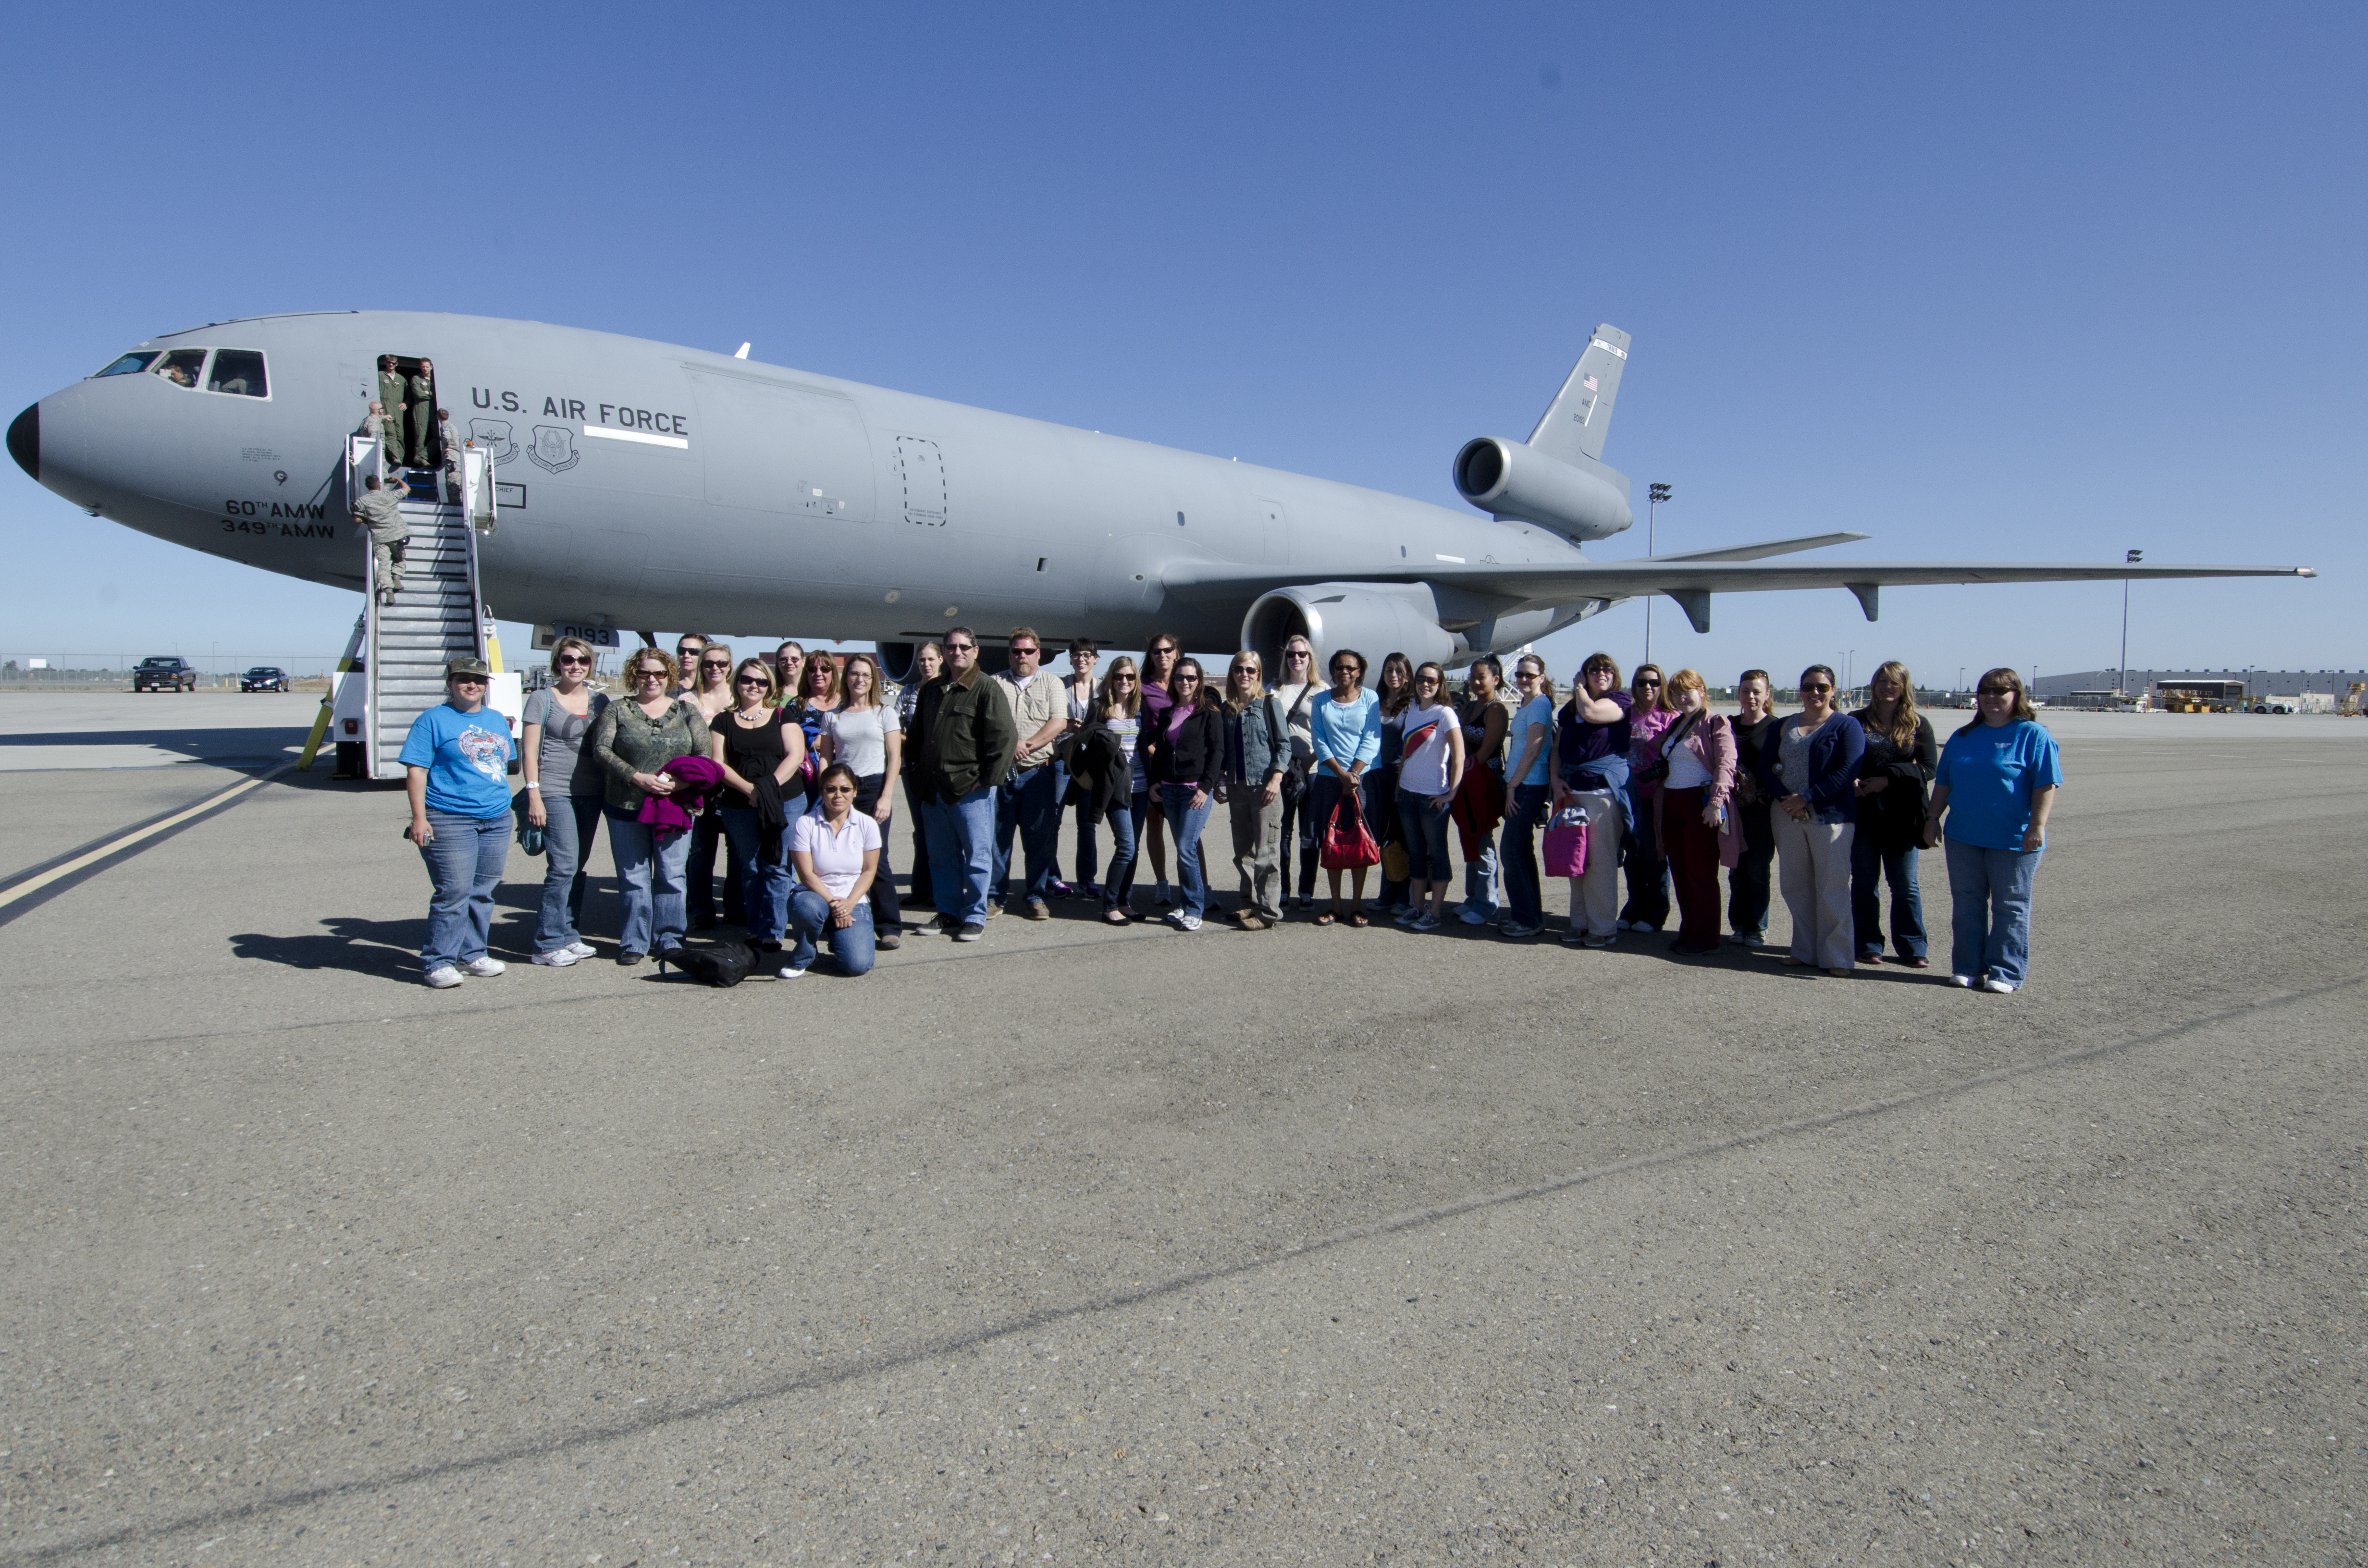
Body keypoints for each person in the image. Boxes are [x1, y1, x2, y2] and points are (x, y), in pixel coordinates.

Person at [1922, 667, 2063, 993]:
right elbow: (1944, 782)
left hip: (2013, 839)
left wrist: (2037, 826)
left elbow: (2046, 784)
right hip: (1964, 836)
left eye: (2000, 691)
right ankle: (1968, 967)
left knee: (2010, 906)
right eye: (1985, 691)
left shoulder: (2032, 735)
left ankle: (2006, 972)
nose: (1991, 697)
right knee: (1967, 903)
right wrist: (1932, 818)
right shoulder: (1963, 737)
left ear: (2016, 695)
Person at [398, 655, 516, 988]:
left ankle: (474, 953)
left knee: (483, 891)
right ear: (450, 684)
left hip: (495, 817)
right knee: (454, 891)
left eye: (479, 681)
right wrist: (419, 818)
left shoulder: (495, 720)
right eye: (464, 679)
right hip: (450, 817)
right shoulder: (433, 720)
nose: (472, 685)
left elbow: (501, 765)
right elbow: (417, 770)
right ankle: (438, 961)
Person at [591, 648, 714, 964]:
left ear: (668, 676)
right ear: (635, 675)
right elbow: (602, 750)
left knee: (672, 875)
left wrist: (680, 785)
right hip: (626, 805)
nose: (652, 679)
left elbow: (704, 756)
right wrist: (636, 777)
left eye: (659, 673)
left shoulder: (686, 712)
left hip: (675, 806)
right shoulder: (618, 710)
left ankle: (670, 937)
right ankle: (634, 940)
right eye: (645, 673)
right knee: (634, 876)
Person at [908, 626, 1017, 941]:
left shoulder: (985, 689)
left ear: (976, 650)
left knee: (977, 856)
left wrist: (986, 780)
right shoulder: (931, 690)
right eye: (951, 647)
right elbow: (916, 736)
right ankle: (948, 912)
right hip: (933, 789)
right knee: (941, 856)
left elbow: (1005, 739)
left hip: (970, 790)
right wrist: (915, 770)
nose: (958, 653)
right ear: (944, 652)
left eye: (964, 647)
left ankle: (974, 915)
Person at [1758, 664, 1865, 976]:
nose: (1815, 692)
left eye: (1822, 687)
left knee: (1832, 886)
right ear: (1800, 690)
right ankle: (1805, 950)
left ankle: (1837, 957)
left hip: (1830, 816)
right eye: (1808, 687)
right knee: (1795, 885)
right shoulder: (1785, 725)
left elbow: (1849, 771)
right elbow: (1766, 766)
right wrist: (1785, 799)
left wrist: (1807, 796)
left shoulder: (1846, 726)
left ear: (1833, 690)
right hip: (1787, 815)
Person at [519, 637, 610, 966]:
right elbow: (529, 751)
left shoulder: (601, 701)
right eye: (569, 659)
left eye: (583, 660)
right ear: (558, 662)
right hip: (555, 791)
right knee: (563, 866)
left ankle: (569, 933)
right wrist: (534, 794)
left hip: (592, 793)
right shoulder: (542, 699)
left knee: (578, 865)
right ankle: (546, 943)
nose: (576, 666)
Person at [709, 657, 805, 956]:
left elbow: (795, 755)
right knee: (750, 868)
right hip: (740, 802)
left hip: (784, 800)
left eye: (761, 681)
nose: (754, 686)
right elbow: (718, 763)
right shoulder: (723, 720)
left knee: (776, 866)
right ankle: (756, 927)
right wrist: (751, 790)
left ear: (769, 686)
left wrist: (766, 789)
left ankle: (774, 932)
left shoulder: (781, 715)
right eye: (748, 680)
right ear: (737, 683)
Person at [1850, 660, 1937, 967]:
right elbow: (1844, 761)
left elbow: (1929, 768)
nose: (1888, 688)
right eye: (1882, 682)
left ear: (1904, 688)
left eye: (1894, 683)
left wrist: (1887, 780)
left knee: (1905, 885)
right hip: (1864, 814)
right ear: (1873, 686)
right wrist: (1854, 783)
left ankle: (1913, 946)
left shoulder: (1917, 724)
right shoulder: (1856, 721)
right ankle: (1867, 943)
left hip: (1902, 816)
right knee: (1864, 882)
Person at [1653, 669, 1742, 956]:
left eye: (1687, 691)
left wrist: (1716, 803)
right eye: (1676, 693)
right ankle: (1689, 931)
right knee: (1679, 871)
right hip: (1672, 803)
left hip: (1700, 805)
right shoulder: (1677, 723)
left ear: (1701, 690)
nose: (1682, 697)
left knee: (1701, 873)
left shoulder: (1716, 722)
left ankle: (1706, 938)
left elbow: (1726, 764)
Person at [819, 651, 905, 947]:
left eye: (866, 675)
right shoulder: (833, 716)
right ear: (847, 678)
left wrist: (887, 796)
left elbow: (894, 758)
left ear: (873, 681)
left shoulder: (884, 714)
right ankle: (837, 919)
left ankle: (889, 925)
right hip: (841, 790)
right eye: (855, 674)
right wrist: (826, 789)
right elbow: (826, 757)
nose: (860, 679)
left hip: (872, 789)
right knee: (837, 857)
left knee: (875, 859)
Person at [1549, 652, 1633, 948]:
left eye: (1606, 669)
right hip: (1572, 792)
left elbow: (1593, 714)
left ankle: (1603, 927)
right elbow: (1558, 747)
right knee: (1577, 861)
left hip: (1602, 793)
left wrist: (1579, 688)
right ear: (1585, 673)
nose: (1601, 673)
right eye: (1593, 669)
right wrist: (1555, 778)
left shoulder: (1620, 701)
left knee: (1600, 863)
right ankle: (1580, 923)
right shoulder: (1571, 708)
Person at [1137, 657, 1224, 930]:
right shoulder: (1167, 713)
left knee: (1186, 848)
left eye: (1191, 678)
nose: (1185, 682)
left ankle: (1195, 907)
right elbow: (1162, 753)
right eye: (1179, 678)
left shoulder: (1209, 712)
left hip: (1194, 790)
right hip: (1169, 790)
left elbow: (1217, 752)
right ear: (1173, 681)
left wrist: (1206, 787)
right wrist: (1154, 782)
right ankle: (1186, 904)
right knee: (1182, 849)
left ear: (1199, 681)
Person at [990, 626, 1068, 920]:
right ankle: (995, 897)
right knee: (999, 839)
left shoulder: (1052, 683)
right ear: (1010, 654)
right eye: (1016, 651)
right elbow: (987, 724)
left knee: (1039, 840)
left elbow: (1059, 722)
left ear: (1038, 653)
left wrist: (1026, 745)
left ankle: (1036, 897)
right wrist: (1008, 748)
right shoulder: (995, 683)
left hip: (1039, 774)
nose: (1022, 656)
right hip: (1002, 774)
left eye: (1027, 651)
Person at [785, 763, 883, 977]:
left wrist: (848, 904)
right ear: (821, 792)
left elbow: (869, 871)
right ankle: (804, 955)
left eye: (845, 789)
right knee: (806, 908)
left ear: (855, 792)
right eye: (830, 789)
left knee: (856, 965)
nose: (838, 795)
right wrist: (834, 903)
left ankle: (836, 935)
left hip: (852, 899)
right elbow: (806, 874)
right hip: (815, 895)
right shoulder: (805, 823)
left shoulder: (868, 825)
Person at [1308, 648, 1381, 926]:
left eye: (1350, 668)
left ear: (1359, 671)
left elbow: (1372, 739)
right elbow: (1320, 740)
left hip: (1361, 780)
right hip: (1329, 779)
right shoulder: (1321, 700)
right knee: (1334, 842)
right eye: (1339, 668)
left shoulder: (1370, 698)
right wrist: (1341, 774)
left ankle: (1357, 906)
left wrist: (1354, 774)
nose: (1345, 672)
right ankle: (1335, 906)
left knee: (1359, 841)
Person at [1392, 662, 1466, 931]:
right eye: (1422, 679)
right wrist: (1400, 785)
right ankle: (1417, 907)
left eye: (1432, 681)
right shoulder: (1412, 710)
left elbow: (1459, 755)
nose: (1426, 684)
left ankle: (1434, 913)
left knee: (1437, 854)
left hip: (1432, 797)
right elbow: (1406, 752)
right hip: (1408, 794)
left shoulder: (1445, 713)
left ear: (1440, 684)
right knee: (1416, 854)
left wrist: (1452, 793)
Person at [1217, 650, 1288, 929]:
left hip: (1264, 788)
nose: (1244, 675)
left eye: (1250, 670)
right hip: (1237, 788)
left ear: (1258, 674)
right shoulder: (1227, 710)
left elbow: (1283, 744)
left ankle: (1268, 913)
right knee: (1243, 851)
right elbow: (1224, 751)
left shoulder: (1269, 705)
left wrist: (1276, 778)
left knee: (1267, 852)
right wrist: (1220, 781)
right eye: (1238, 669)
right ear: (1232, 673)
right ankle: (1249, 903)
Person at [1080, 656, 1146, 924]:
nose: (1124, 681)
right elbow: (1086, 742)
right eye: (1119, 676)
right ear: (1111, 678)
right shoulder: (1099, 707)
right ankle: (1109, 905)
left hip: (1140, 785)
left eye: (1130, 677)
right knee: (1126, 846)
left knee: (1135, 848)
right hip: (1113, 785)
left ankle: (1124, 900)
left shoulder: (1141, 707)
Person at [1496, 654, 1556, 939]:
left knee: (1511, 851)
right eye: (1519, 675)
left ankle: (1526, 919)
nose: (1522, 680)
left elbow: (1533, 750)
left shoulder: (1541, 705)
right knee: (1522, 851)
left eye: (1529, 676)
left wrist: (1512, 787)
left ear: (1542, 678)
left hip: (1528, 786)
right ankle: (1532, 916)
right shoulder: (1528, 704)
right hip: (1522, 784)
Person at [683, 640, 739, 931]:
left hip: (733, 784)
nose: (715, 669)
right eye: (709, 663)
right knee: (701, 850)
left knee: (736, 849)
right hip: (699, 787)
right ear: (700, 666)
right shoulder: (688, 701)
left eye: (722, 663)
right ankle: (702, 909)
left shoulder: (740, 697)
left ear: (730, 666)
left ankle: (734, 907)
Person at [1725, 670, 1782, 947]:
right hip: (1732, 810)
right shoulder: (1727, 725)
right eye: (1746, 691)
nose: (1751, 697)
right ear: (1739, 693)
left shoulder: (1777, 727)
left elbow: (1784, 767)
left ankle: (1757, 926)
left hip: (1760, 811)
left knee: (1758, 869)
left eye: (1757, 691)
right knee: (1736, 869)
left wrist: (1768, 796)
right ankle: (1738, 925)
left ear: (1767, 694)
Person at [1452, 657, 1511, 925]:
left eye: (1482, 677)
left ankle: (1488, 903)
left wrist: (1464, 766)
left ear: (1495, 679)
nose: (1476, 682)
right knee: (1470, 838)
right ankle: (1474, 897)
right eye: (1473, 677)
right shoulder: (1470, 706)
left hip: (1484, 781)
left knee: (1483, 840)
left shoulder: (1496, 709)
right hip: (1467, 779)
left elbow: (1485, 751)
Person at [1619, 663, 1676, 933]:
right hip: (1628, 796)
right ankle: (1634, 906)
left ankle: (1656, 912)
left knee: (1655, 856)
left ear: (1662, 685)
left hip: (1656, 797)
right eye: (1642, 682)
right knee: (1633, 855)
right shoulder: (1624, 716)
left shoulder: (1670, 717)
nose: (1648, 687)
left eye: (1654, 682)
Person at [1270, 635, 1323, 908]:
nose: (1297, 659)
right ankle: (1283, 889)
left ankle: (1306, 890)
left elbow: (1328, 734)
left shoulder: (1322, 690)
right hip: (1284, 771)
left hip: (1312, 769)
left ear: (1310, 657)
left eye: (1302, 654)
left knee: (1309, 833)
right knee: (1283, 832)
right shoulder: (1275, 689)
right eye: (1291, 654)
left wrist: (1310, 758)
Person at [1369, 652, 1417, 914]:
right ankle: (1387, 893)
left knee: (1402, 836)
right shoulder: (1376, 702)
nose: (1394, 675)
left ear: (1407, 675)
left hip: (1401, 776)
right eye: (1389, 670)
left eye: (1399, 671)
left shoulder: (1412, 705)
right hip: (1376, 776)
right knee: (1384, 837)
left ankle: (1404, 896)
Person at [1136, 633, 1181, 906]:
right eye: (1156, 651)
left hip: (1184, 769)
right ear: (1150, 656)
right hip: (1154, 765)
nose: (1162, 655)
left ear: (1176, 652)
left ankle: (1200, 884)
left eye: (1167, 650)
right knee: (1155, 826)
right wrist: (1154, 752)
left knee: (1187, 831)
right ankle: (1162, 883)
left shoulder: (1186, 680)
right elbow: (1139, 728)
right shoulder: (1142, 687)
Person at [1054, 638, 1101, 898]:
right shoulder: (1059, 686)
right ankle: (1053, 877)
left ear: (1095, 658)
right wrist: (1065, 727)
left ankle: (1087, 879)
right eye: (1076, 655)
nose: (1081, 659)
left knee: (1087, 823)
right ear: (1070, 659)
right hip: (1063, 759)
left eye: (1086, 655)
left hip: (1088, 764)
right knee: (1054, 820)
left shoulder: (1103, 689)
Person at [897, 641, 941, 913]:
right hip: (911, 768)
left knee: (939, 830)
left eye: (931, 659)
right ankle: (920, 888)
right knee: (921, 830)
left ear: (940, 660)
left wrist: (915, 739)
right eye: (922, 660)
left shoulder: (945, 690)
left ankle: (940, 890)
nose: (926, 664)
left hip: (937, 769)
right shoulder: (907, 692)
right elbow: (893, 728)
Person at [351, 473, 408, 604]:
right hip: (395, 534)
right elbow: (407, 489)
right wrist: (398, 480)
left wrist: (368, 521)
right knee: (399, 557)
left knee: (383, 564)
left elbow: (357, 519)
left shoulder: (362, 501)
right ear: (379, 486)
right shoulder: (389, 496)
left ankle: (389, 592)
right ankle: (397, 578)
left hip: (379, 537)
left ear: (367, 486)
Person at [377, 356, 409, 466]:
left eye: (393, 363)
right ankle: (395, 458)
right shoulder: (380, 375)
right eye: (389, 363)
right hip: (386, 407)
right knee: (390, 433)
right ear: (385, 363)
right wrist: (380, 408)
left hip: (398, 409)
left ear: (397, 364)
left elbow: (409, 394)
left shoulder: (401, 379)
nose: (391, 365)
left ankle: (400, 458)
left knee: (400, 435)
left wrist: (406, 403)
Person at [407, 359, 437, 471]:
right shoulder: (416, 379)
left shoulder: (435, 379)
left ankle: (422, 455)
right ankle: (420, 460)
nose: (425, 369)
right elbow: (419, 394)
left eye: (427, 367)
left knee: (438, 436)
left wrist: (429, 393)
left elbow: (438, 394)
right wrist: (432, 395)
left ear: (431, 367)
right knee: (420, 435)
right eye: (423, 367)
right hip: (421, 408)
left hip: (433, 410)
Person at [672, 634, 710, 699]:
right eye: (682, 651)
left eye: (693, 652)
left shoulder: (711, 685)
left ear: (704, 655)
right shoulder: (668, 684)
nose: (686, 655)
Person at [772, 641, 806, 705]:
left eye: (794, 659)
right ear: (778, 663)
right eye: (783, 659)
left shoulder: (814, 692)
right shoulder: (770, 694)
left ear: (803, 661)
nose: (789, 663)